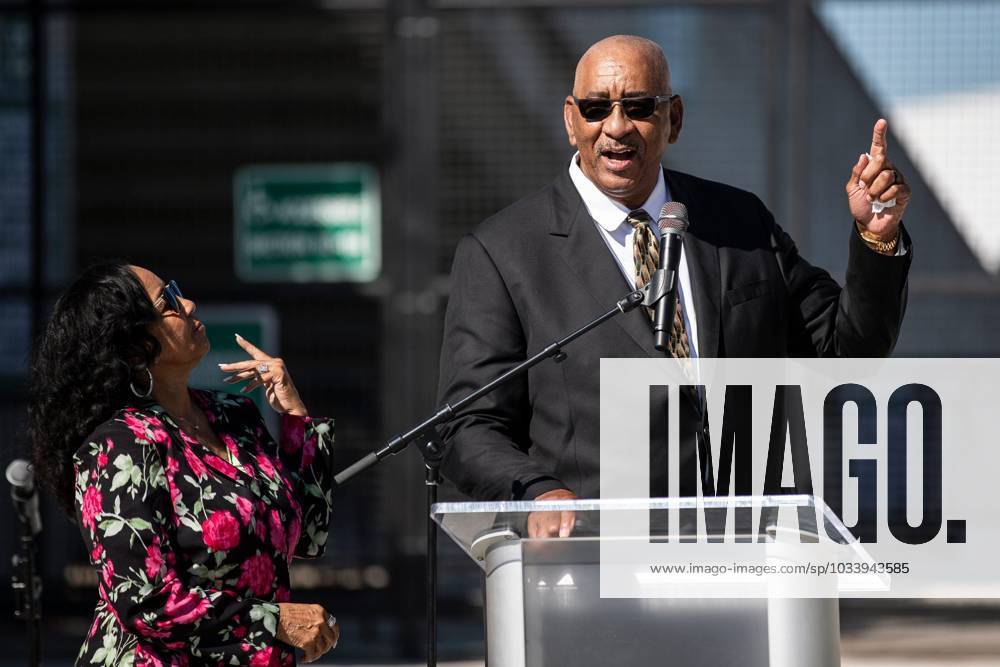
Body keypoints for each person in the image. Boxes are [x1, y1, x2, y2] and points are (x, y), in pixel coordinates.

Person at [436, 35, 912, 537]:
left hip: (744, 553)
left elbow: (847, 351)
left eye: (639, 106)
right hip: (594, 564)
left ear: (674, 119)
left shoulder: (740, 223)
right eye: (597, 108)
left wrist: (876, 238)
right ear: (571, 120)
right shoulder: (503, 250)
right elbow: (466, 425)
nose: (616, 127)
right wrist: (537, 492)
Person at [27, 262, 341, 666]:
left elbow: (307, 536)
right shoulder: (118, 446)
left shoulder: (236, 415)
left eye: (177, 290)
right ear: (135, 346)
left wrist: (296, 415)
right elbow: (144, 602)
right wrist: (274, 622)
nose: (189, 304)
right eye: (169, 302)